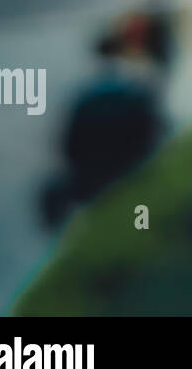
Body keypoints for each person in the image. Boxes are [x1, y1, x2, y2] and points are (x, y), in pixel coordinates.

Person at [40, 15, 167, 227]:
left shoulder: (84, 94)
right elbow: (156, 137)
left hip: (94, 180)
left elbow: (67, 146)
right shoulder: (139, 87)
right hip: (132, 176)